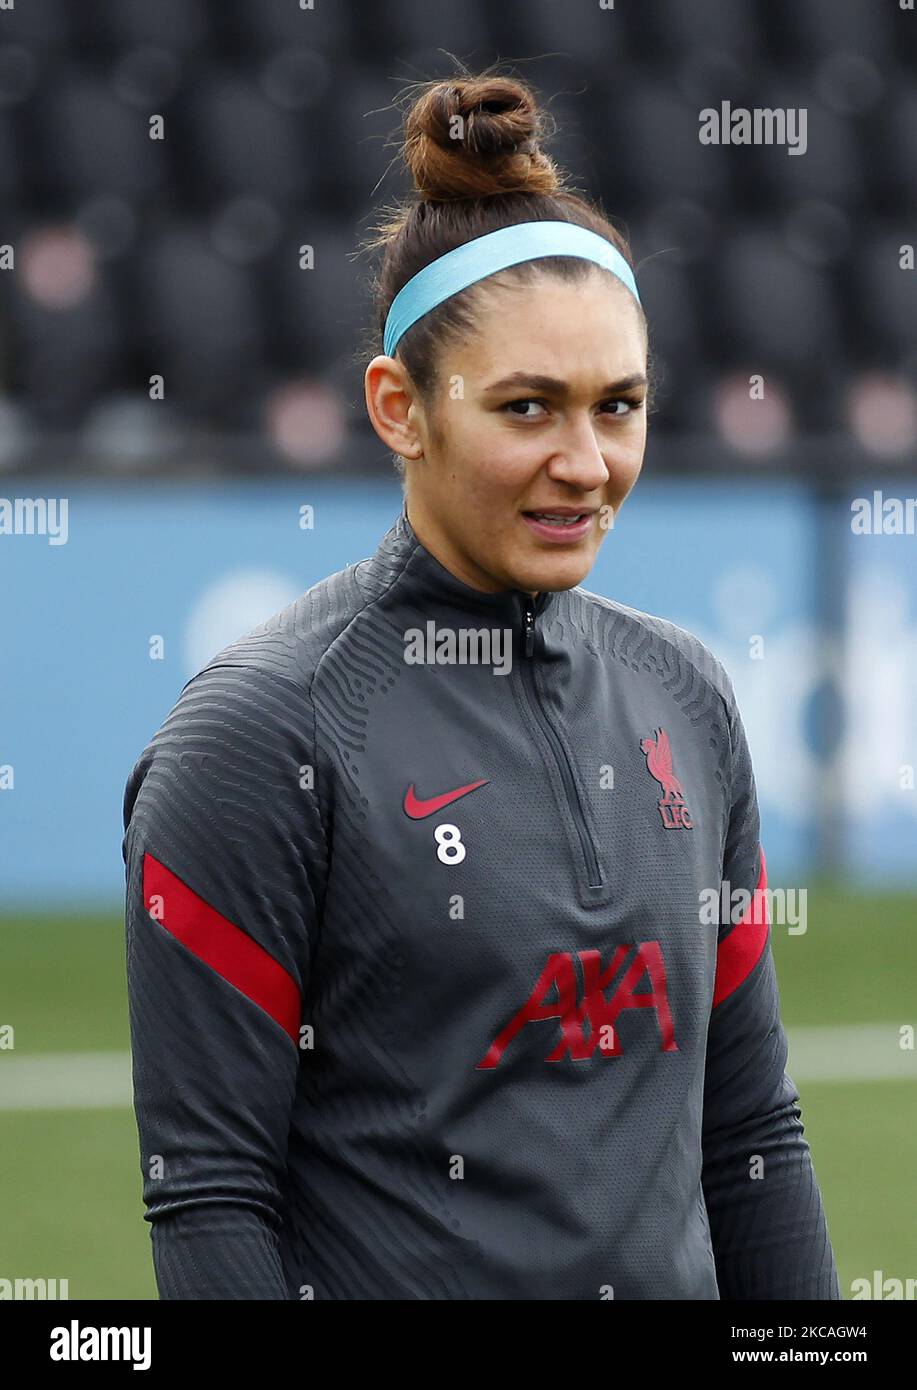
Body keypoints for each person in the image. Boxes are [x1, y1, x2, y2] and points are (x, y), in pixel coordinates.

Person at [122, 72, 840, 1300]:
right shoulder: (254, 734)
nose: (585, 463)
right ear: (401, 409)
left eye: (618, 406)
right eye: (527, 408)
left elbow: (751, 1136)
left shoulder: (689, 697)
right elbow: (210, 1195)